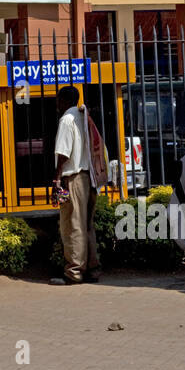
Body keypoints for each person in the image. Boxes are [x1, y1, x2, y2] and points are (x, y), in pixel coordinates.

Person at [51, 86, 108, 285]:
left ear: (64, 100)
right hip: (89, 178)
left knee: (72, 226)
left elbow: (63, 154)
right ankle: (92, 269)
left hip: (73, 178)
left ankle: (74, 272)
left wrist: (56, 179)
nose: (57, 104)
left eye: (58, 100)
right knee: (86, 226)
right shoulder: (84, 116)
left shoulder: (67, 119)